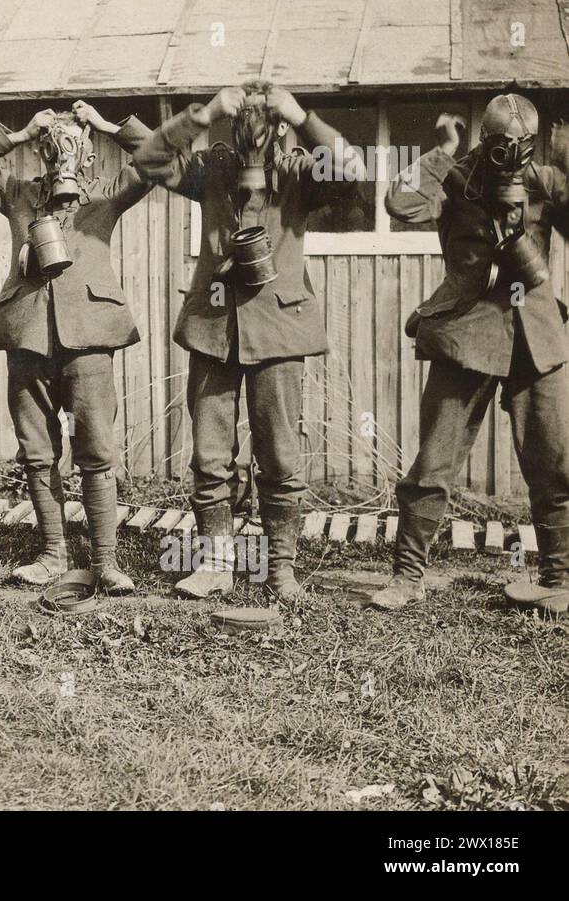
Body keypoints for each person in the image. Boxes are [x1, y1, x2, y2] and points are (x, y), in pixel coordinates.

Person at [131, 82, 362, 602]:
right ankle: (216, 561)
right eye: (242, 120)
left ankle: (280, 568)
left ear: (280, 127)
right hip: (214, 328)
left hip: (278, 333)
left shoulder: (299, 174)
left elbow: (351, 169)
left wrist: (302, 115)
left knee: (279, 456)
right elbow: (149, 159)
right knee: (211, 454)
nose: (252, 131)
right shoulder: (213, 172)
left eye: (265, 119)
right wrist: (205, 112)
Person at [372, 93, 569, 615]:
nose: (510, 158)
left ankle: (559, 577)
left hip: (535, 329)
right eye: (501, 148)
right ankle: (407, 576)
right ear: (486, 143)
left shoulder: (544, 182)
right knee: (434, 460)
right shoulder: (459, 177)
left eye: (520, 150)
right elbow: (401, 204)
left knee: (554, 459)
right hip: (468, 328)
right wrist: (443, 152)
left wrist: (557, 165)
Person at [0, 101, 154, 591]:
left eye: (72, 143)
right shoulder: (20, 194)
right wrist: (21, 133)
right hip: (27, 336)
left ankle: (105, 562)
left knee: (96, 450)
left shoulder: (104, 196)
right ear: (42, 153)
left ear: (89, 155)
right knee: (38, 452)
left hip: (89, 337)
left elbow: (158, 156)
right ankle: (51, 554)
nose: (60, 150)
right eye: (52, 144)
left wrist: (109, 126)